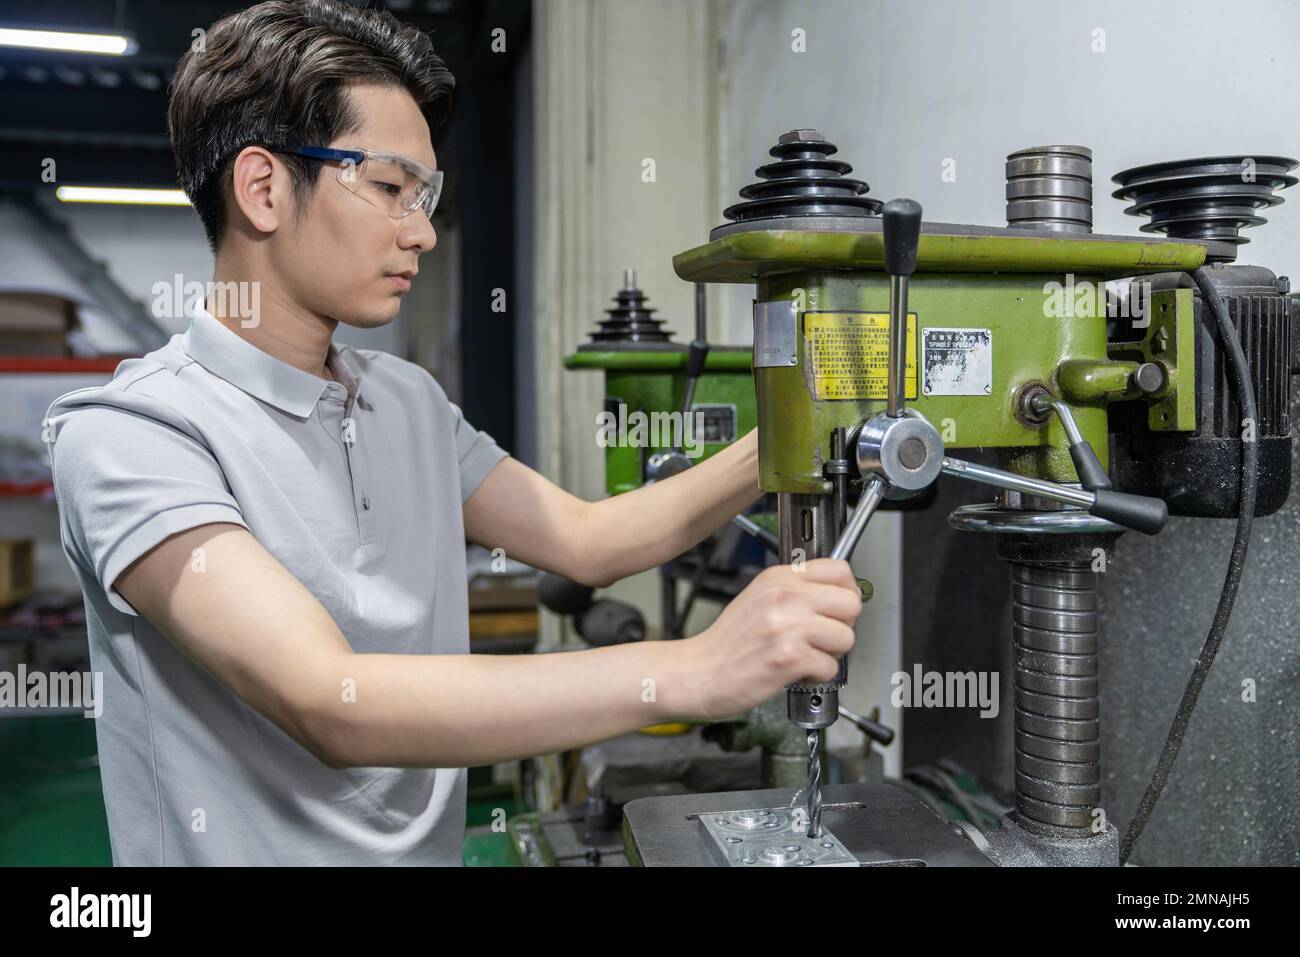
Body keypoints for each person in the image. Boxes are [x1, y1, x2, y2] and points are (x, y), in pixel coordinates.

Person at [44, 0, 861, 865]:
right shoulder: (133, 436)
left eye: (424, 196)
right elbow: (330, 701)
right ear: (264, 187)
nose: (422, 231)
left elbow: (587, 540)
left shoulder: (406, 402)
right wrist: (694, 669)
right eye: (391, 188)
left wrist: (801, 422)